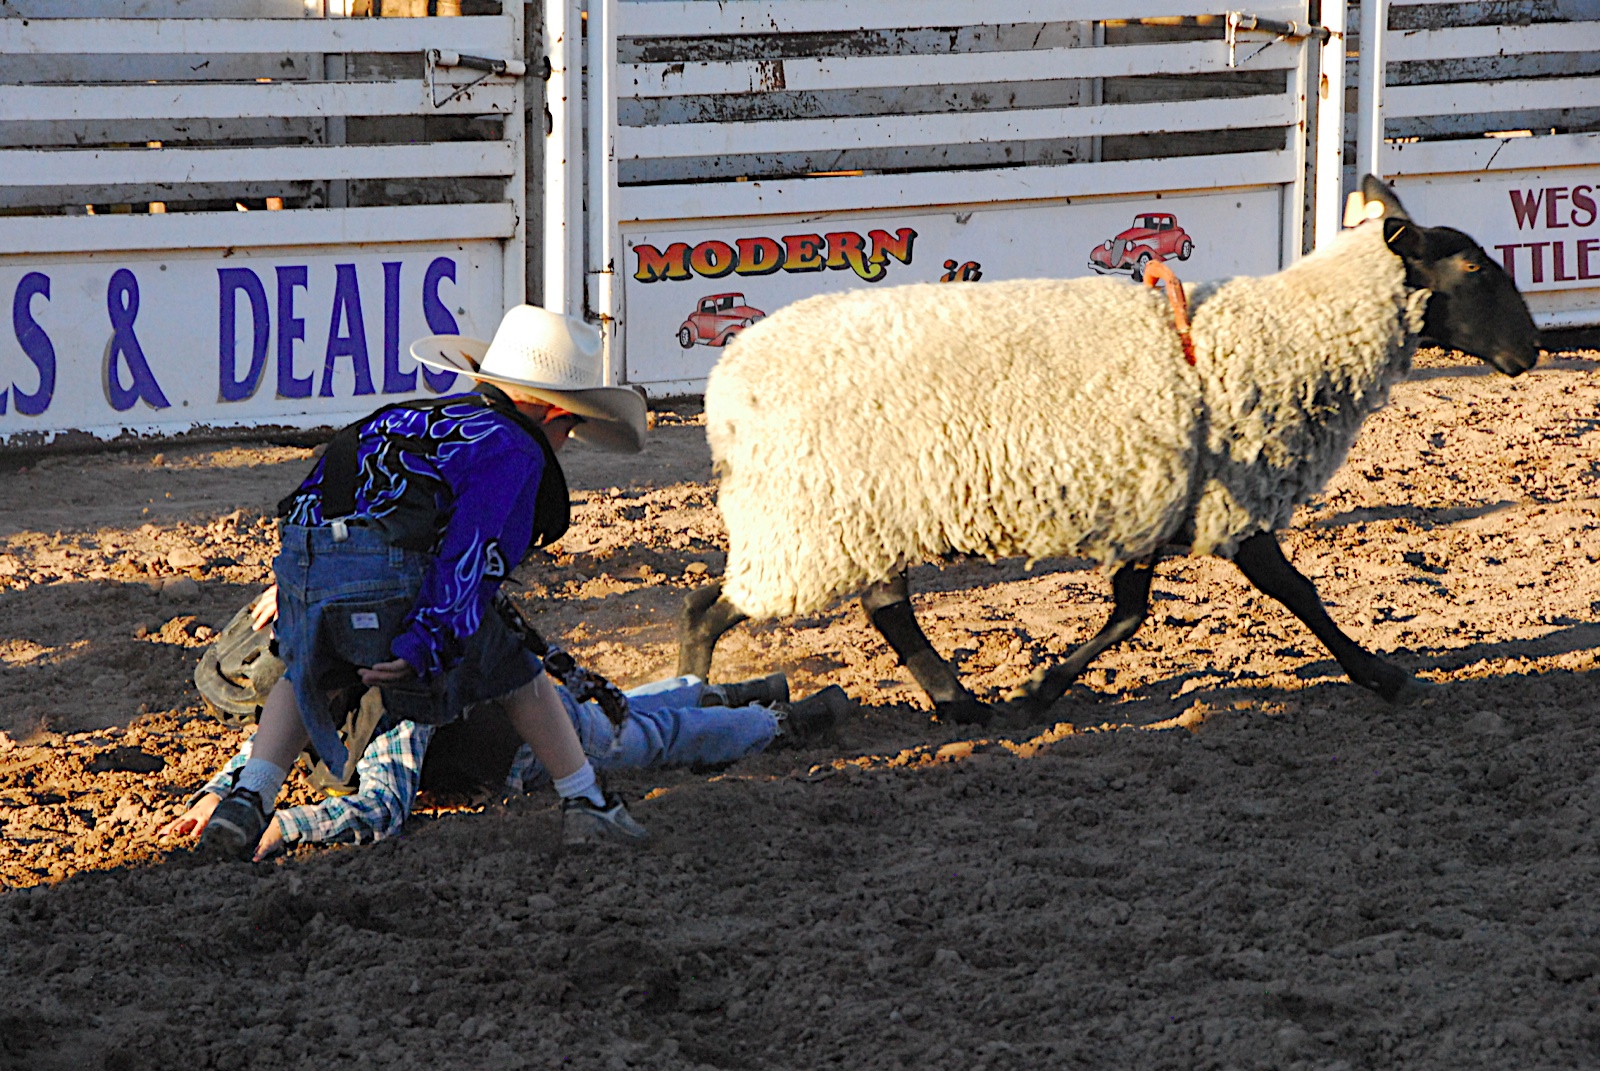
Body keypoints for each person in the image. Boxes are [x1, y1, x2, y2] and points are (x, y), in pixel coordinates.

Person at [196, 304, 658, 859]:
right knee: (515, 670)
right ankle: (587, 803)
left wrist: (301, 590)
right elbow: (472, 554)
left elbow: (318, 492)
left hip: (309, 560)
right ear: (557, 415)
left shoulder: (400, 419)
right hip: (392, 578)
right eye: (573, 426)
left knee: (310, 668)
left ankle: (248, 797)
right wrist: (425, 642)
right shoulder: (511, 447)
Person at [167, 635, 840, 860]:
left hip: (535, 746)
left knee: (642, 738)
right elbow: (266, 752)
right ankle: (716, 690)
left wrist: (285, 823)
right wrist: (216, 794)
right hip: (532, 715)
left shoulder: (394, 709)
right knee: (619, 717)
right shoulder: (357, 675)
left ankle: (773, 722)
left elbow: (381, 807)